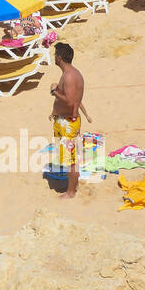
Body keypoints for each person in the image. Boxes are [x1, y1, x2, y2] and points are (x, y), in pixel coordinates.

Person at [49, 43, 90, 199]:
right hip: (66, 121)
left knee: (70, 160)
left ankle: (71, 192)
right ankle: (73, 186)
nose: (54, 57)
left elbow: (70, 101)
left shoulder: (69, 76)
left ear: (59, 57)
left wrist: (54, 92)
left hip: (68, 123)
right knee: (70, 158)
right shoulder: (71, 73)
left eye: (55, 55)